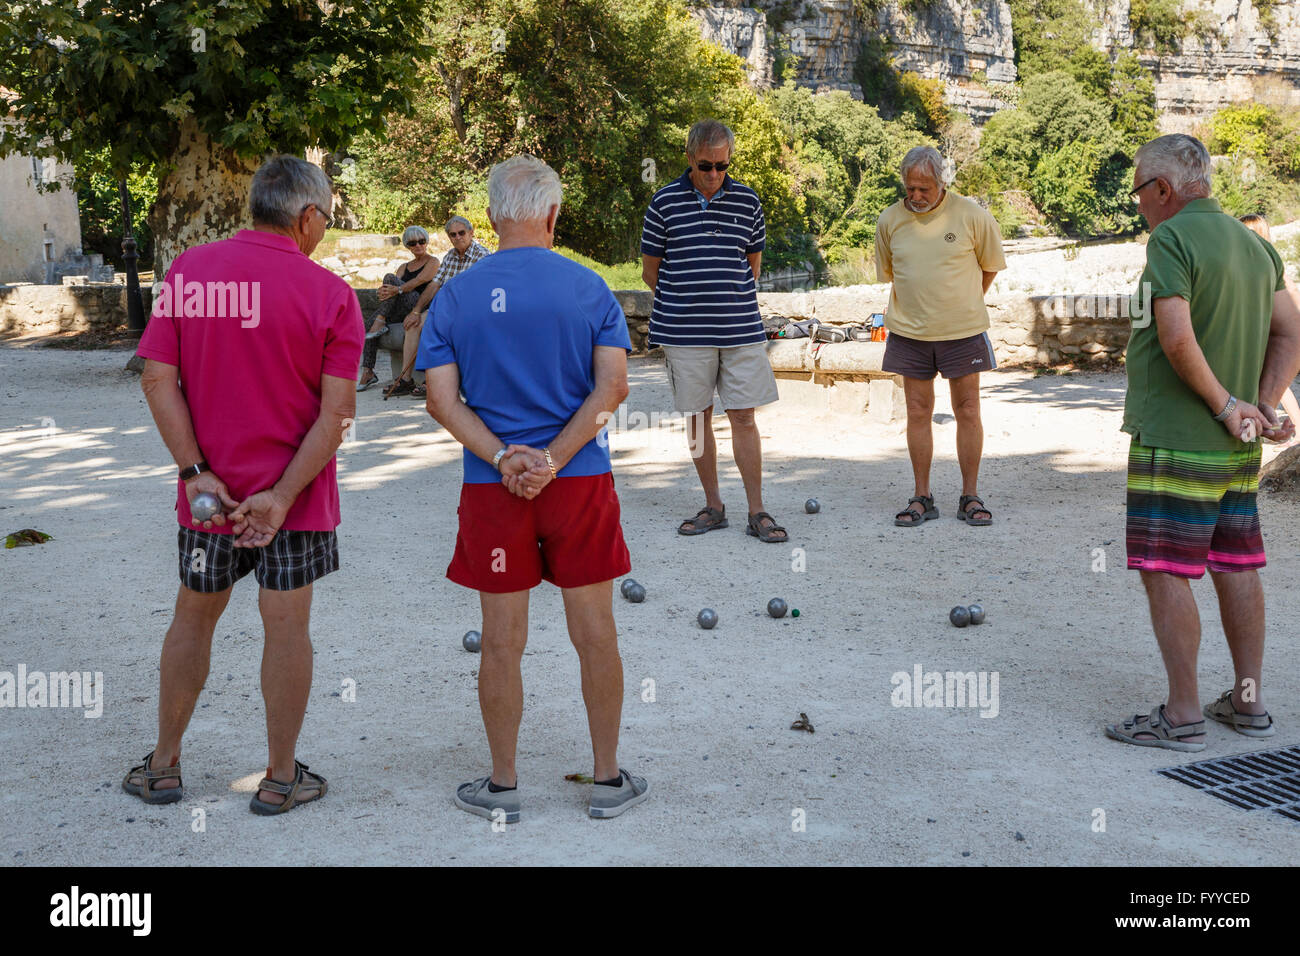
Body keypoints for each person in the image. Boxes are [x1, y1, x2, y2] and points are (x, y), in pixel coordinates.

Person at [128, 155, 363, 813]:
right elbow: (337, 414)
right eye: (326, 218)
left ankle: (165, 766)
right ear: (307, 216)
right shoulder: (331, 295)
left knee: (193, 618)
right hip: (298, 501)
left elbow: (156, 378)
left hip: (209, 498)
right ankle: (281, 778)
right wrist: (282, 496)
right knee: (286, 627)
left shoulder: (189, 273)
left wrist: (197, 474)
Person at [418, 155, 648, 822]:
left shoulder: (460, 294)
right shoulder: (591, 288)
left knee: (500, 640)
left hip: (493, 489)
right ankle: (606, 780)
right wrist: (549, 458)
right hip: (577, 482)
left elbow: (440, 399)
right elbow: (614, 389)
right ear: (552, 215)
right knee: (596, 633)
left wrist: (503, 459)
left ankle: (504, 784)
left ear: (491, 217)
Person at [1105, 134, 1300, 753]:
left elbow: (1176, 339)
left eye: (1139, 190)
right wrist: (1260, 405)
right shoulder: (1254, 246)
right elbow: (1292, 332)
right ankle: (1248, 703)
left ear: (1162, 189)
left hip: (1177, 437)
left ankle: (1182, 714)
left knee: (1167, 568)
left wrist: (1222, 406)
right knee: (1236, 566)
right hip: (1240, 445)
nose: (1138, 204)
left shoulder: (1170, 239)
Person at [640, 119, 786, 543]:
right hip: (684, 332)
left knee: (744, 417)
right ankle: (714, 505)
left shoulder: (748, 201)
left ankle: (757, 511)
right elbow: (652, 273)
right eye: (706, 165)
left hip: (739, 328)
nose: (714, 175)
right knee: (698, 418)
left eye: (722, 166)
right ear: (689, 158)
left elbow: (752, 267)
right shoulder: (663, 202)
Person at [874, 145, 1006, 528]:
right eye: (910, 188)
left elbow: (990, 267)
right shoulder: (889, 220)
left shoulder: (972, 215)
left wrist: (962, 303)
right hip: (909, 333)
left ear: (941, 182)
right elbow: (891, 273)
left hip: (962, 332)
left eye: (924, 188)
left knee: (968, 411)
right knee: (917, 412)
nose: (915, 196)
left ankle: (970, 495)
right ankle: (922, 496)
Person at [386, 215, 490, 399]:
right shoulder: (449, 256)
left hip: (469, 310)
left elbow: (481, 291)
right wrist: (416, 311)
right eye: (453, 234)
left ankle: (433, 380)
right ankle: (406, 380)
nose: (457, 237)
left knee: (439, 328)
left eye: (461, 233)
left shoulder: (482, 256)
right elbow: (434, 284)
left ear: (471, 233)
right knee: (413, 324)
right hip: (444, 308)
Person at [1238, 214, 1300, 441]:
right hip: (1274, 331)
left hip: (1269, 333)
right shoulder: (1273, 263)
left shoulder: (1264, 267)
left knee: (1277, 385)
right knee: (1277, 385)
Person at [356, 225, 439, 391]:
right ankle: (368, 371)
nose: (418, 246)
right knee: (369, 325)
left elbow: (419, 281)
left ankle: (380, 320)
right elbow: (392, 291)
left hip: (419, 305)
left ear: (427, 242)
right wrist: (384, 292)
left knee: (389, 279)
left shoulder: (433, 262)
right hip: (402, 308)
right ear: (407, 246)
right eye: (413, 243)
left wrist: (397, 289)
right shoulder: (404, 267)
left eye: (421, 241)